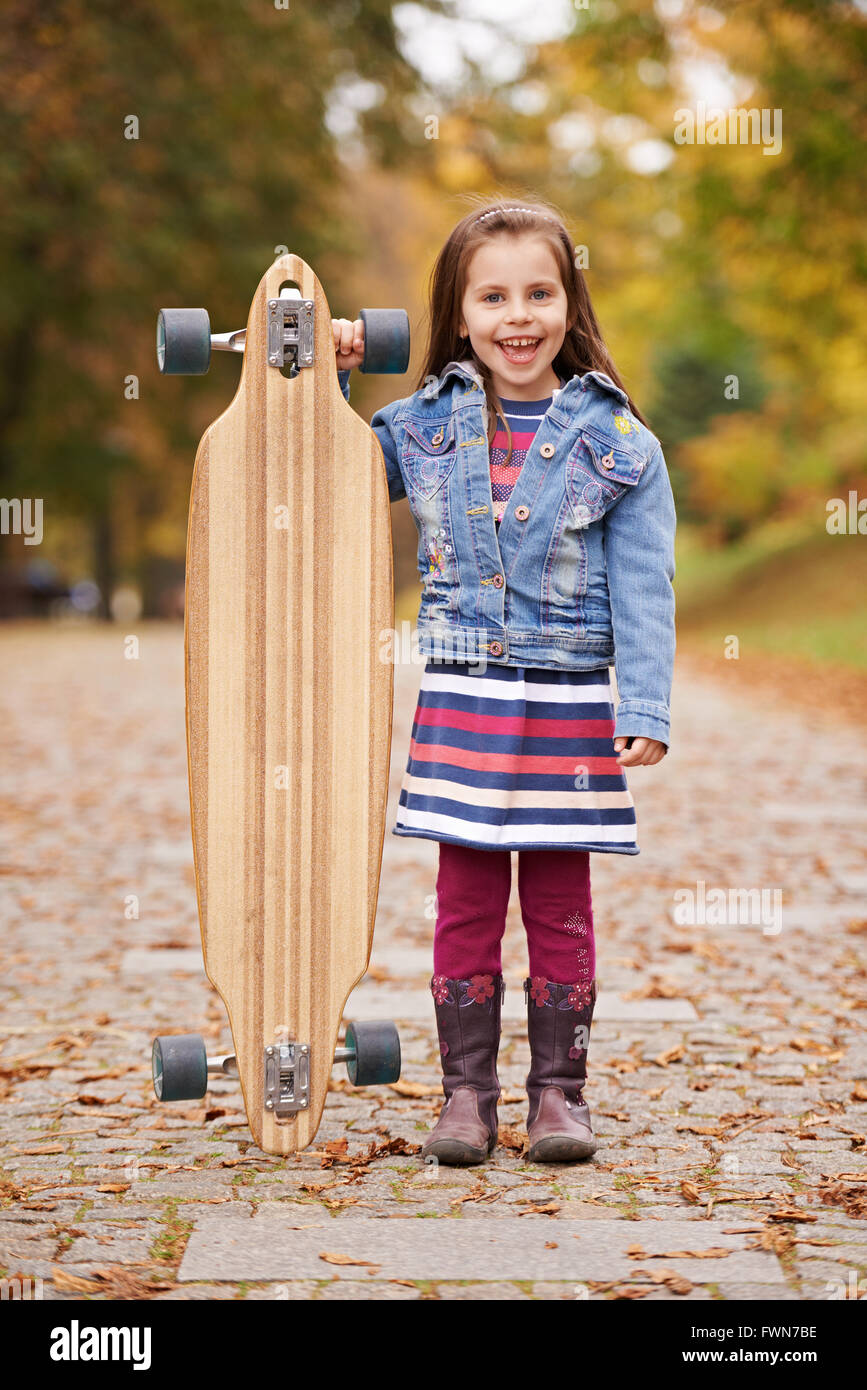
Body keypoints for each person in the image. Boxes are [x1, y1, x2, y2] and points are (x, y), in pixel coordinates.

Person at [332, 200, 676, 1167]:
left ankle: (559, 1096)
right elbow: (331, 480)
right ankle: (466, 1097)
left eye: (538, 292)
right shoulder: (422, 423)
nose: (516, 317)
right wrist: (333, 373)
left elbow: (646, 581)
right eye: (493, 295)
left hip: (567, 702)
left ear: (570, 302)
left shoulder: (619, 442)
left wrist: (644, 702)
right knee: (466, 900)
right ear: (459, 308)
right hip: (465, 698)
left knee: (560, 902)